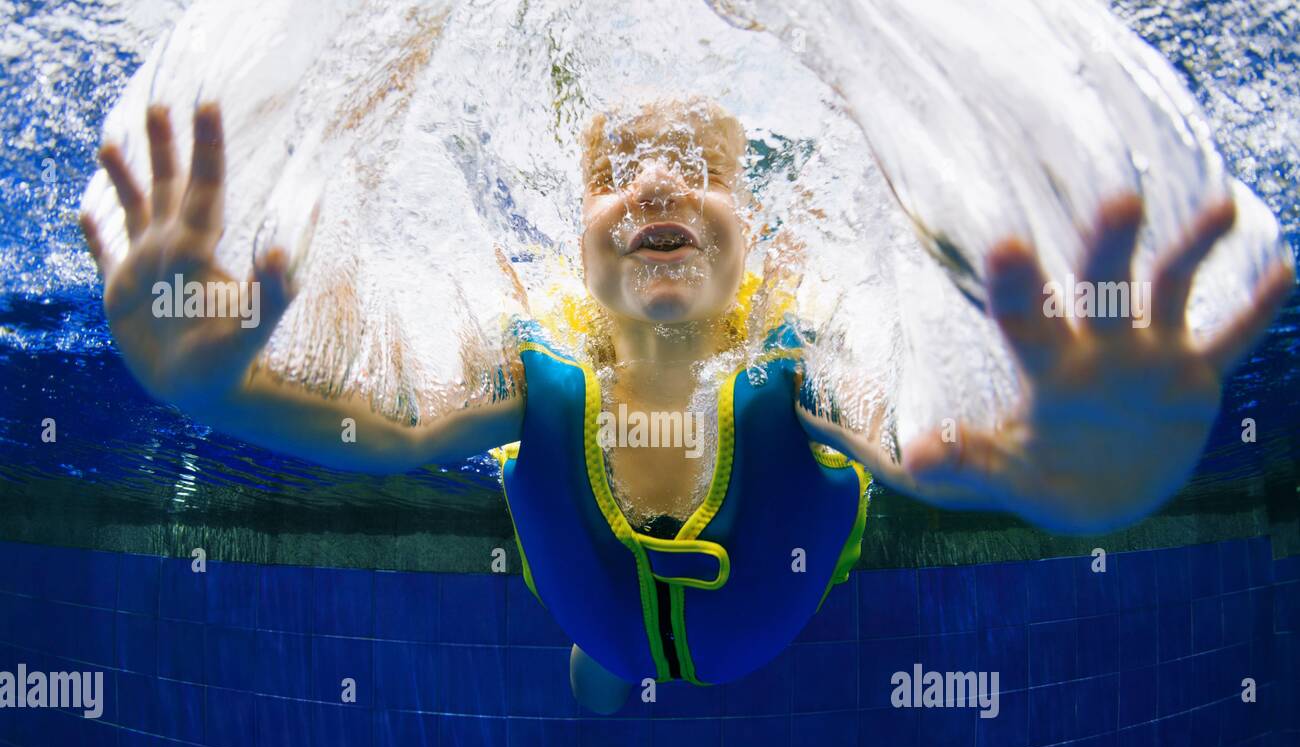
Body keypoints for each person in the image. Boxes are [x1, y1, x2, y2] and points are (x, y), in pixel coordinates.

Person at [80, 96, 1294, 713]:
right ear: (578, 242)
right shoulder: (532, 369)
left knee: (633, 654)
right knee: (609, 658)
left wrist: (1075, 462)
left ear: (750, 233)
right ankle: (612, 663)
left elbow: (932, 451)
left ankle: (619, 664)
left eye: (700, 170)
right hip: (611, 617)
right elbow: (379, 428)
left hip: (765, 615)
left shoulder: (804, 368)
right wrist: (206, 379)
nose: (654, 179)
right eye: (613, 174)